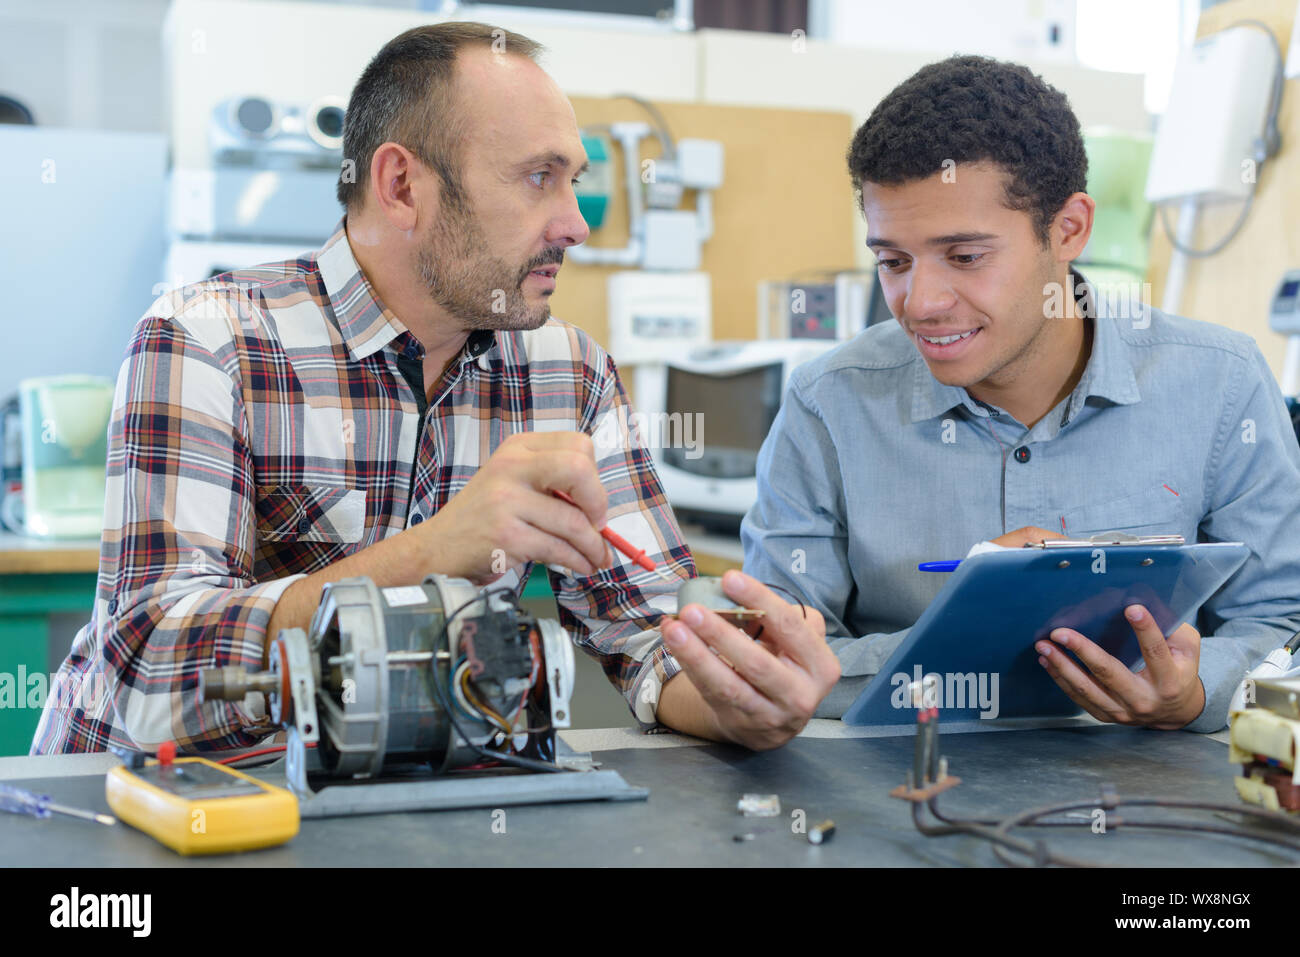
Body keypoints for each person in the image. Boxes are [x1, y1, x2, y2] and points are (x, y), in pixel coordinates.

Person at [33, 21, 838, 755]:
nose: (576, 223)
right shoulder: (208, 339)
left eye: (575, 180)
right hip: (150, 812)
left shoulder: (569, 371)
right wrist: (431, 550)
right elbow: (151, 679)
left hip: (386, 807)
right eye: (538, 178)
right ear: (402, 186)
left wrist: (741, 691)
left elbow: (650, 635)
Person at [742, 55, 1300, 732]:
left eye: (966, 256)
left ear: (1069, 229)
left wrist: (1195, 690)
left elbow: (1281, 625)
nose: (919, 302)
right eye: (892, 261)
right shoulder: (826, 404)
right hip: (889, 802)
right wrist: (968, 631)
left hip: (1157, 806)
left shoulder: (1223, 383)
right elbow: (774, 658)